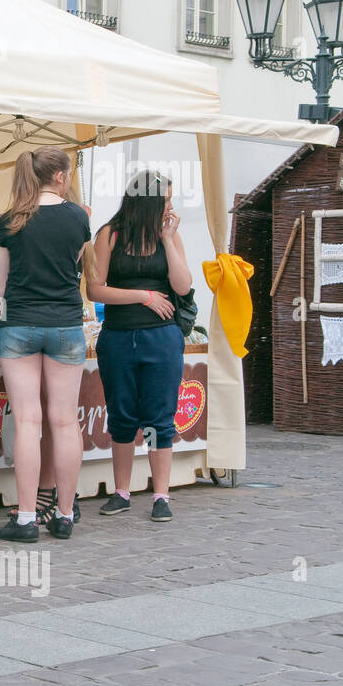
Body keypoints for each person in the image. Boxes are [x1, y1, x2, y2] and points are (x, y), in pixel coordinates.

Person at [0, 146, 91, 542]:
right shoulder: (77, 217)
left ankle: (27, 518)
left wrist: (1, 300)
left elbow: (2, 269)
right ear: (61, 177)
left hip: (19, 325)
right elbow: (76, 263)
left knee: (28, 421)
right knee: (65, 421)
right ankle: (64, 514)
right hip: (66, 323)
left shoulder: (12, 219)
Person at [87, 170, 192, 522]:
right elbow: (95, 289)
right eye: (165, 201)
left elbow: (182, 286)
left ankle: (161, 494)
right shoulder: (110, 234)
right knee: (121, 415)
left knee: (160, 417)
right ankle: (121, 491)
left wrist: (166, 239)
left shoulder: (169, 236)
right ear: (146, 202)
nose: (171, 207)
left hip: (161, 337)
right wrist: (143, 296)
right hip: (118, 336)